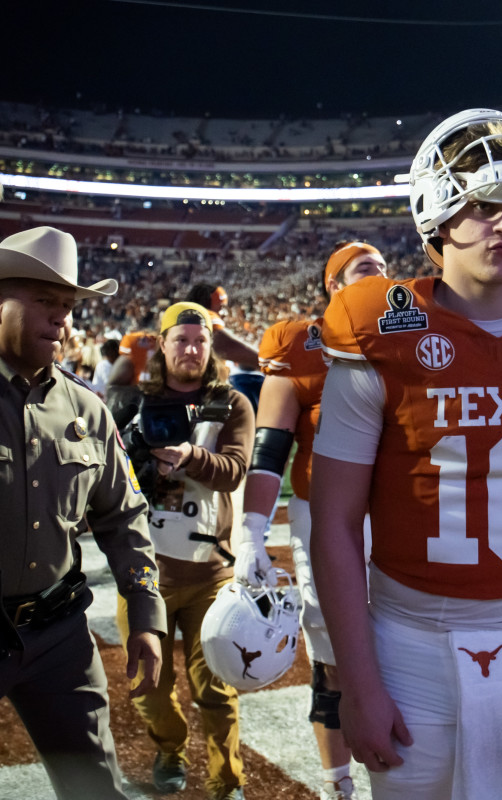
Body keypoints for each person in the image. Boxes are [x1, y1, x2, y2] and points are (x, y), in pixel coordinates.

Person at [309, 109, 502, 799]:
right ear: (438, 215)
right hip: (409, 641)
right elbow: (332, 522)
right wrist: (356, 686)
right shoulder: (381, 329)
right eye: (480, 206)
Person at [0, 226, 166, 800]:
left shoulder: (87, 409)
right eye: (45, 301)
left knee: (95, 788)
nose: (61, 321)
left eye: (68, 307)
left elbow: (123, 517)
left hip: (59, 636)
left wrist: (146, 612)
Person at [236, 240, 387, 800]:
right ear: (334, 285)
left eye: (383, 269)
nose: (380, 277)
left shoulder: (412, 334)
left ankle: (403, 779)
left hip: (402, 517)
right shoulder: (301, 343)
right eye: (365, 270)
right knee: (333, 660)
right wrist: (251, 530)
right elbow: (271, 447)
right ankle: (338, 785)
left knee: (404, 651)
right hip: (323, 518)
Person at [116, 300, 255, 800]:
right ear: (163, 344)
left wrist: (190, 456)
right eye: (182, 339)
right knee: (147, 689)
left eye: (200, 340)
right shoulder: (133, 401)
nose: (192, 349)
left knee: (216, 687)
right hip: (145, 572)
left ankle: (227, 783)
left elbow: (235, 468)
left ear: (210, 346)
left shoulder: (232, 402)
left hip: (210, 572)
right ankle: (169, 748)